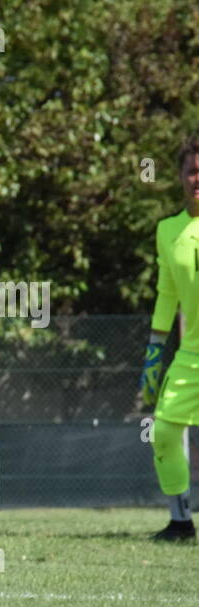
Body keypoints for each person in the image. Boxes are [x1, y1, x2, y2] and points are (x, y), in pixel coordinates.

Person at [144, 133, 199, 543]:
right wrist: (153, 353)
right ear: (181, 176)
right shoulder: (167, 231)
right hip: (190, 355)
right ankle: (180, 522)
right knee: (163, 433)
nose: (198, 178)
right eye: (192, 171)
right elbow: (167, 293)